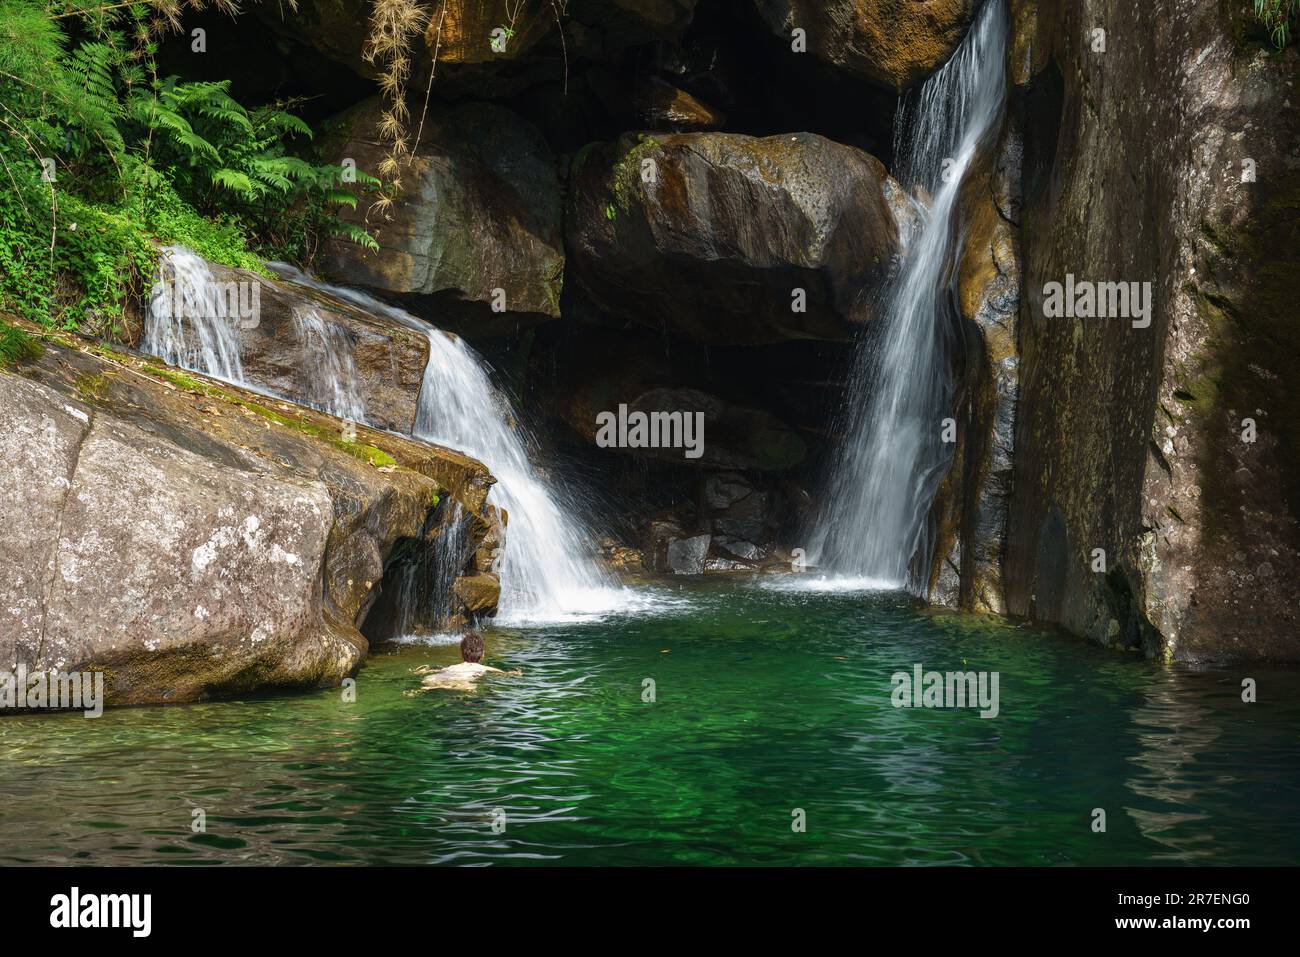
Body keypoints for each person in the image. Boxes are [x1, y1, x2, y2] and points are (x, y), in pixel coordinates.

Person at [412, 631, 511, 691]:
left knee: (429, 682)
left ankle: (425, 688)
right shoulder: (481, 668)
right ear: (483, 655)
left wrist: (426, 671)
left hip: (441, 676)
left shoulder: (454, 666)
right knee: (470, 688)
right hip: (462, 681)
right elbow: (500, 672)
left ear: (461, 654)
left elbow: (440, 670)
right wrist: (512, 673)